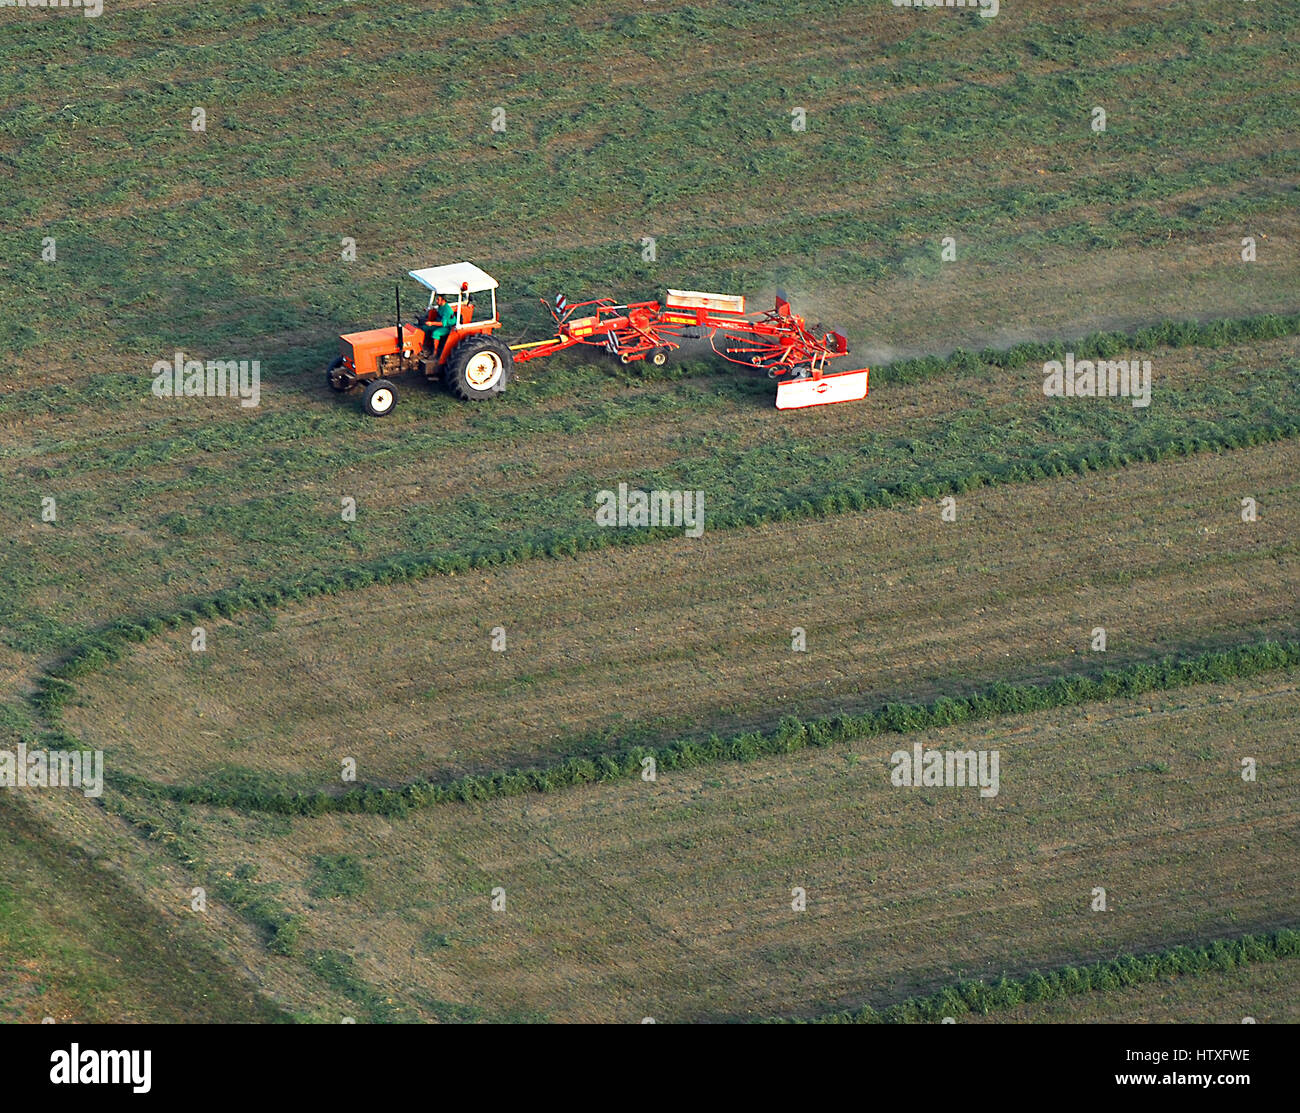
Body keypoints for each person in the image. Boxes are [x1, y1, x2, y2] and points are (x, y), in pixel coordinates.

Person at [426, 293, 458, 361]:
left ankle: (435, 353)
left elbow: (443, 324)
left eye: (438, 299)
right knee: (425, 327)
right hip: (440, 323)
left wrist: (431, 323)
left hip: (448, 327)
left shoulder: (447, 310)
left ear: (443, 301)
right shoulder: (440, 306)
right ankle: (426, 346)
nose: (436, 301)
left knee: (436, 333)